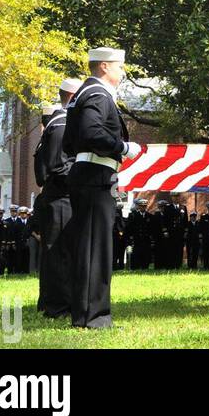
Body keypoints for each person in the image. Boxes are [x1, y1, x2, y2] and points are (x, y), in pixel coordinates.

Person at [61, 47, 139, 328]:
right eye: (120, 66)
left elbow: (70, 142)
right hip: (96, 176)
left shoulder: (84, 93)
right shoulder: (97, 93)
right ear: (105, 66)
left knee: (89, 247)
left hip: (89, 173)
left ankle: (86, 313)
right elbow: (91, 132)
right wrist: (123, 147)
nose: (123, 72)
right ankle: (93, 317)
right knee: (96, 249)